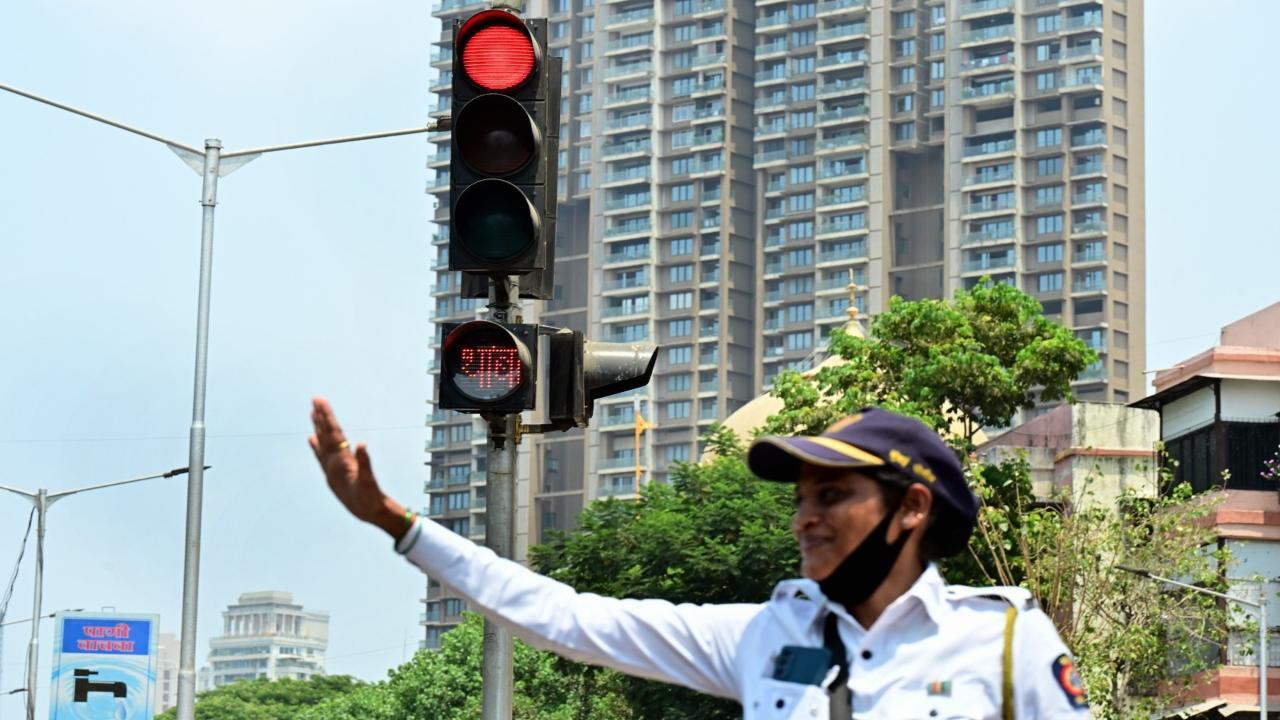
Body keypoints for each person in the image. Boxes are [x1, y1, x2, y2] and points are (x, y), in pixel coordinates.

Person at [309, 397, 1092, 719]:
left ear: (911, 509)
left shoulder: (1006, 642)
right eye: (801, 498)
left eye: (832, 496)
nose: (805, 519)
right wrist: (394, 520)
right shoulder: (768, 638)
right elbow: (573, 619)